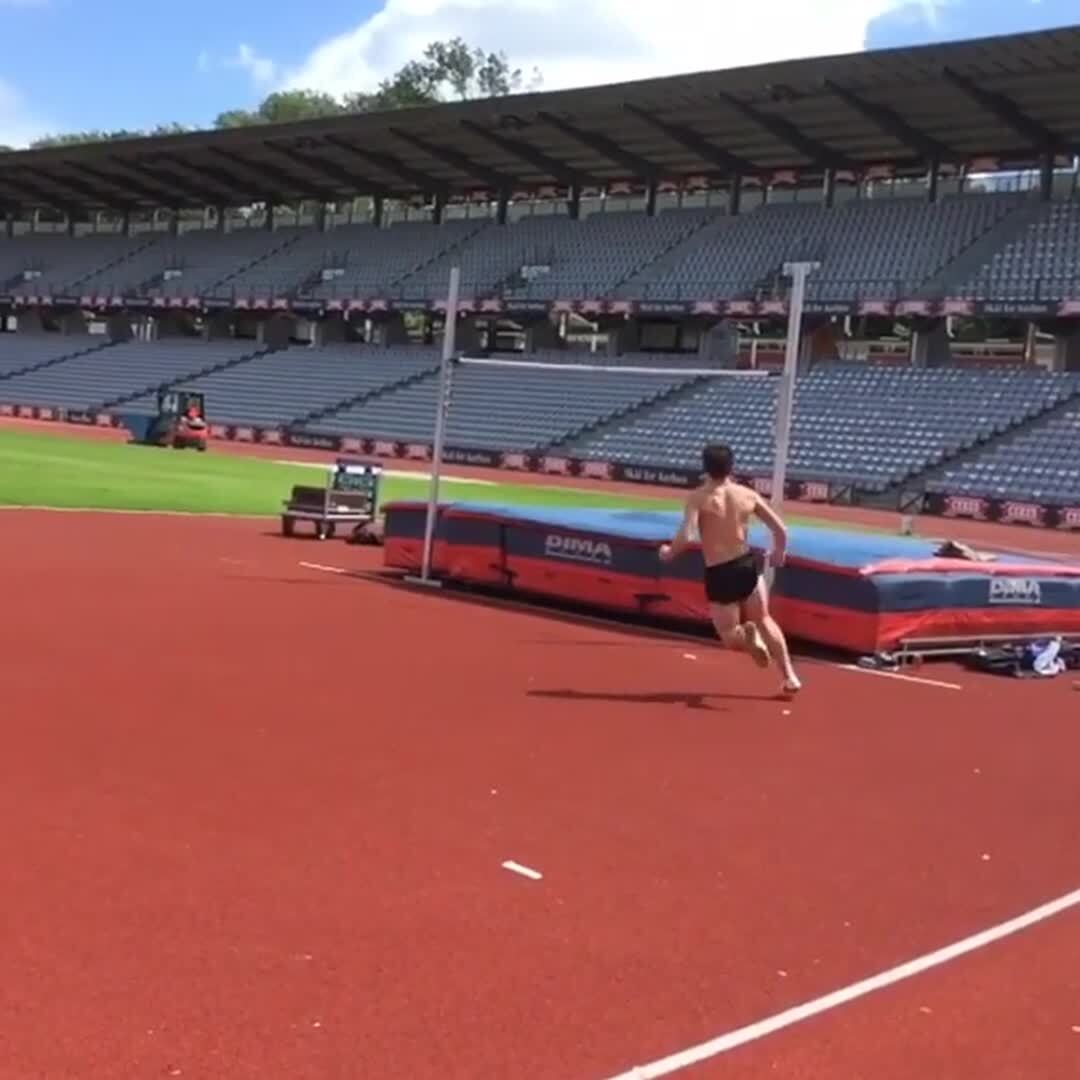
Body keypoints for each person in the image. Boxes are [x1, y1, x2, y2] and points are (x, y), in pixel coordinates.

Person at [659, 443, 802, 695]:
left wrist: (669, 553)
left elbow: (688, 535)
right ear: (731, 466)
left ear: (705, 467)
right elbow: (780, 529)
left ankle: (747, 640)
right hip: (746, 565)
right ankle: (790, 676)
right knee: (764, 619)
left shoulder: (698, 497)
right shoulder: (747, 494)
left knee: (728, 634)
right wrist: (779, 553)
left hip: (719, 571)